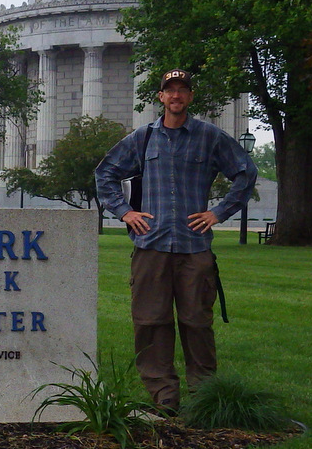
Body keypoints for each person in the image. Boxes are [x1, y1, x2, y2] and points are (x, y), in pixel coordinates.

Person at [93, 69, 256, 413]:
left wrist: (219, 212)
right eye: (171, 90)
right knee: (151, 323)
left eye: (183, 90)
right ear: (161, 97)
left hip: (194, 248)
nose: (176, 95)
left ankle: (203, 396)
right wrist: (124, 212)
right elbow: (105, 172)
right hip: (150, 245)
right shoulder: (143, 138)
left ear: (190, 97)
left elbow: (244, 171)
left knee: (197, 323)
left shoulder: (209, 137)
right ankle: (164, 396)